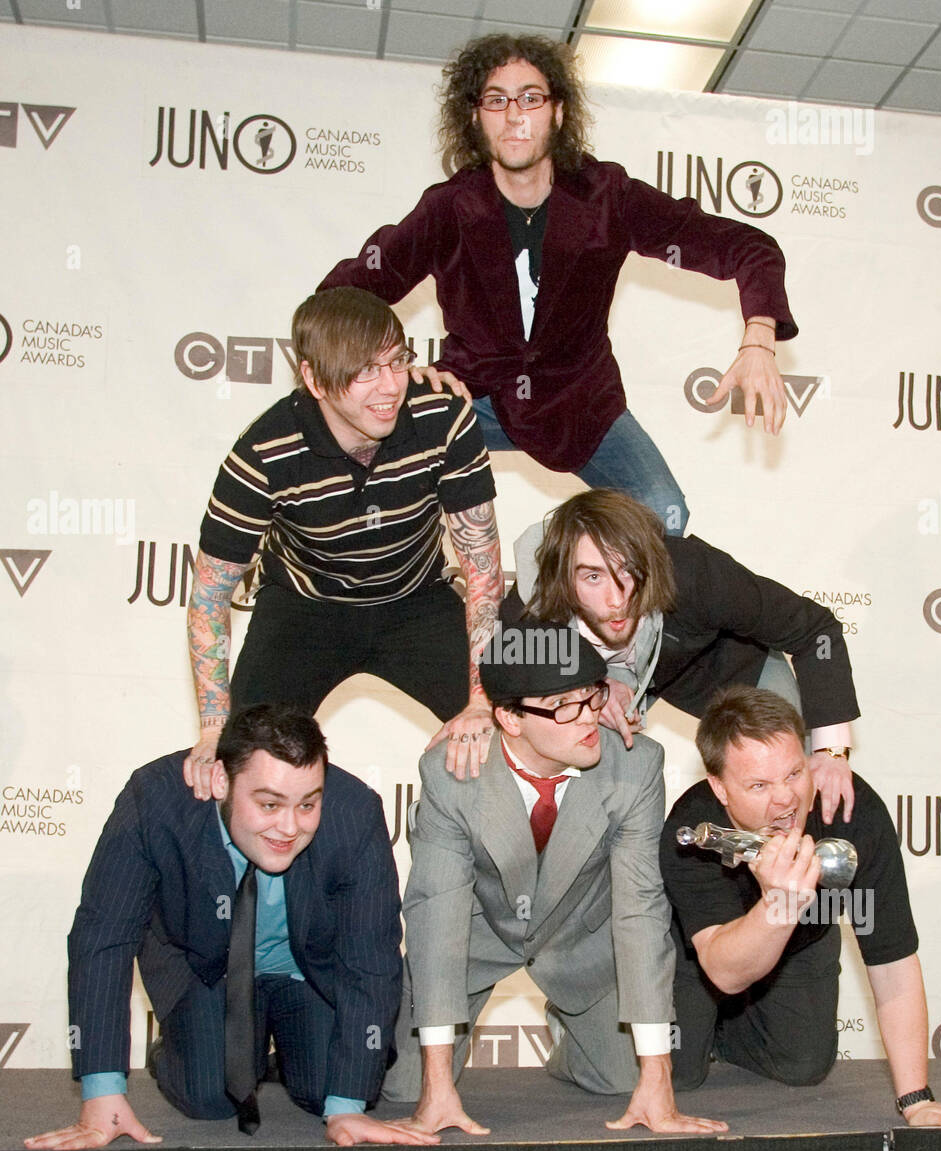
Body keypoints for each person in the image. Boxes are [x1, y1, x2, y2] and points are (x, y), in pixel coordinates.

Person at [318, 32, 798, 535]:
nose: (515, 115)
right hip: (472, 397)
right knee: (354, 472)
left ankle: (592, 602)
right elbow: (341, 298)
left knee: (664, 516)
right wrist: (402, 372)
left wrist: (759, 341)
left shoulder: (606, 196)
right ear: (475, 118)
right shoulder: (450, 208)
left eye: (531, 97)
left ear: (559, 112)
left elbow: (749, 246)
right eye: (496, 100)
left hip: (581, 404)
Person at [25, 705, 435, 1150]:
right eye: (268, 804)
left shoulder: (355, 813)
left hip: (307, 971)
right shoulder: (155, 800)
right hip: (208, 966)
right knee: (209, 1097)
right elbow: (103, 935)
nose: (289, 826)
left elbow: (370, 956)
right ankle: (181, 1048)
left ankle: (276, 1053)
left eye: (308, 804)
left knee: (326, 1094)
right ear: (221, 781)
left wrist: (347, 1107)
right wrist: (101, 1092)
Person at [383, 619, 728, 1139]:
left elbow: (640, 912)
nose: (588, 719)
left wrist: (657, 1080)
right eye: (564, 707)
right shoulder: (449, 774)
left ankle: (569, 1030)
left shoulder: (634, 766)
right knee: (407, 1090)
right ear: (510, 719)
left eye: (590, 696)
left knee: (621, 1080)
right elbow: (437, 920)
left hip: (578, 937)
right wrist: (437, 1084)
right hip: (476, 937)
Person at [184, 287, 503, 797]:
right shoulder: (264, 451)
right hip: (303, 610)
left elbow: (482, 568)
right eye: (364, 371)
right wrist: (211, 728)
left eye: (397, 362)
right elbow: (210, 596)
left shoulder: (444, 416)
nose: (390, 387)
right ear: (314, 378)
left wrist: (482, 700)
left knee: (508, 736)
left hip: (416, 602)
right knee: (239, 765)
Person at [660, 687, 941, 1130]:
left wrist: (917, 1100)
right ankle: (693, 1030)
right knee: (681, 1075)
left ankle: (727, 1034)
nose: (785, 800)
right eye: (759, 785)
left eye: (794, 774)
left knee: (803, 1067)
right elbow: (725, 971)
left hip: (803, 941)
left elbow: (893, 963)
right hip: (701, 954)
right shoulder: (695, 828)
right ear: (720, 788)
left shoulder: (851, 811)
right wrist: (780, 901)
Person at [505, 489, 859, 822]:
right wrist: (593, 684)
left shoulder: (694, 575)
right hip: (600, 680)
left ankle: (801, 871)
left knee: (786, 766)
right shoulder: (532, 602)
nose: (617, 600)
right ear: (563, 579)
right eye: (594, 577)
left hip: (712, 663)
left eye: (629, 571)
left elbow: (815, 631)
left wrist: (831, 752)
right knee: (584, 759)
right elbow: (501, 677)